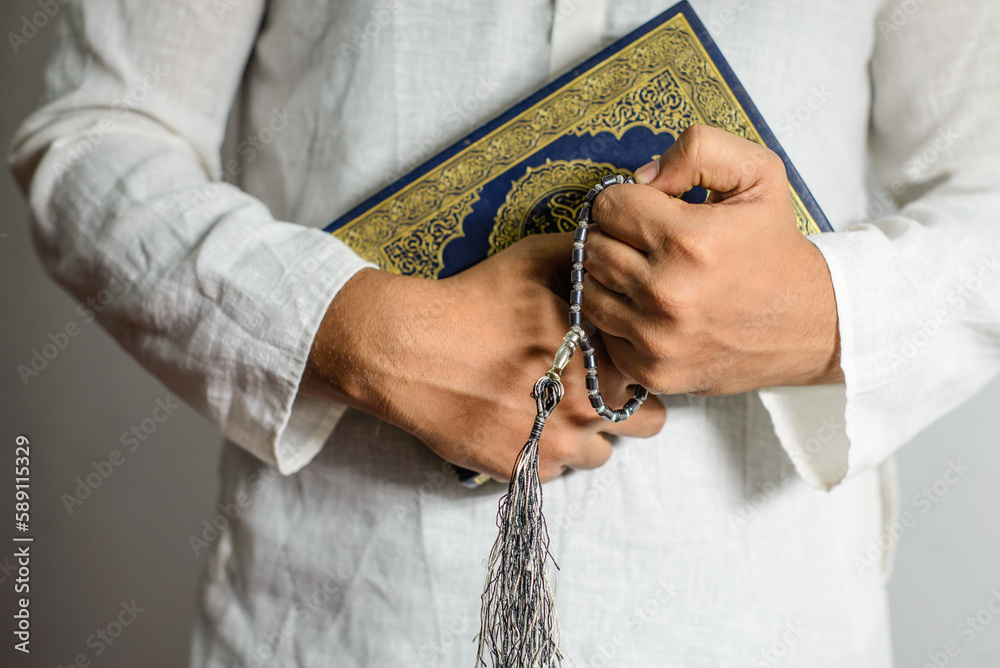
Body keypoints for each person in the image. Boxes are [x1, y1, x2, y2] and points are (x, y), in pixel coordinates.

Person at [10, 0, 999, 666]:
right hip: (345, 615)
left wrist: (822, 310)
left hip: (763, 619)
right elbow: (98, 129)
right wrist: (351, 330)